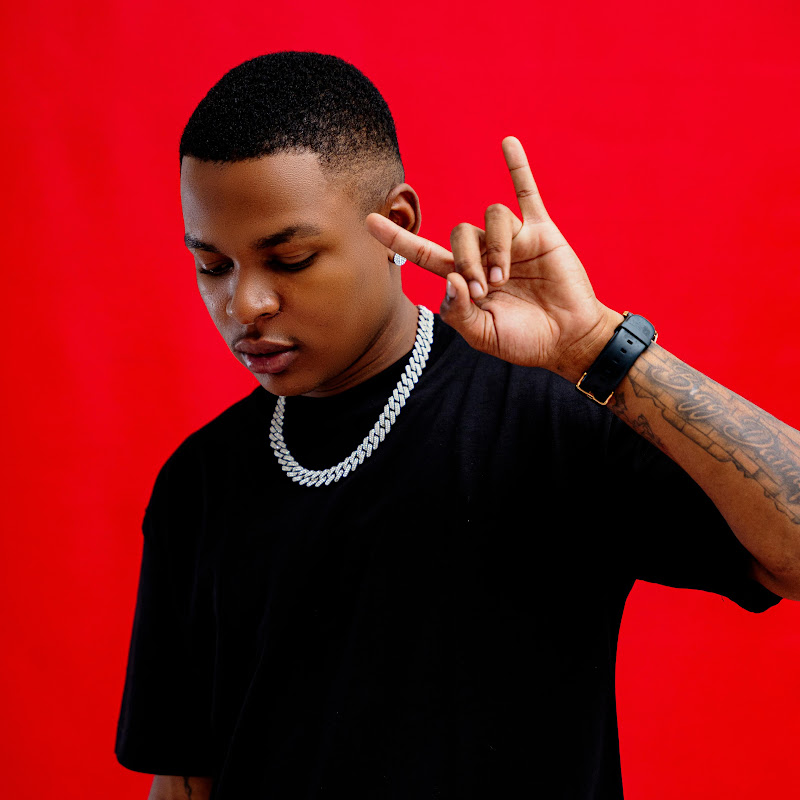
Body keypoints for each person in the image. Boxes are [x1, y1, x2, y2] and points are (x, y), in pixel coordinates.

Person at [115, 51, 800, 799]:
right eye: (213, 266)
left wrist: (598, 347)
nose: (245, 304)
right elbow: (185, 778)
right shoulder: (199, 482)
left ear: (395, 225)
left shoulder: (546, 417)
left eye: (291, 258)